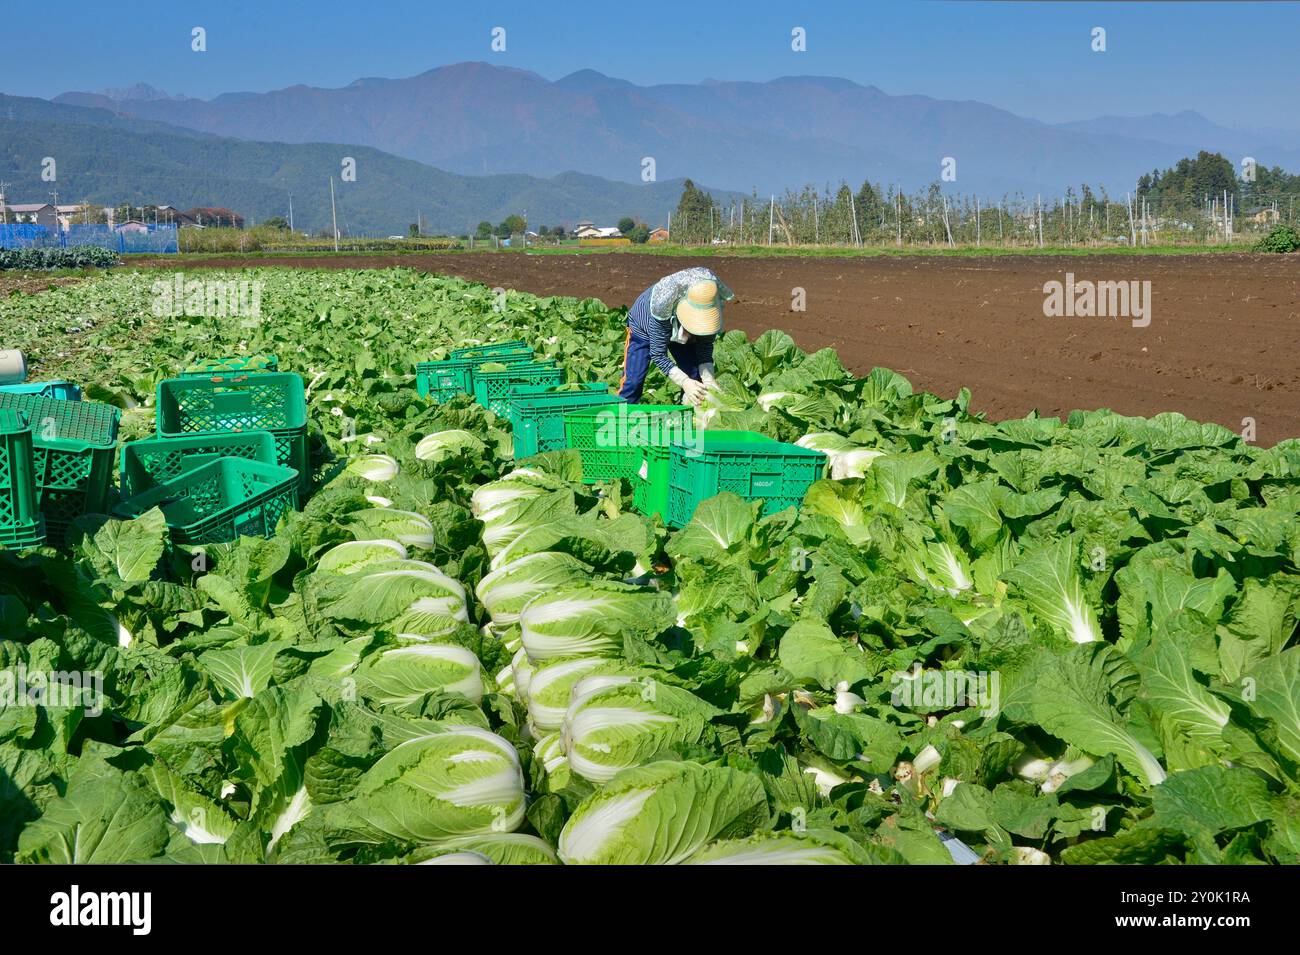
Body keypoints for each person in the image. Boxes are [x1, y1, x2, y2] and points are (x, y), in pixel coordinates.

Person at [618, 267, 735, 405]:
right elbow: (658, 354)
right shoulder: (661, 306)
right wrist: (684, 382)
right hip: (643, 324)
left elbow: (705, 347)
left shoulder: (709, 299)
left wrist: (709, 379)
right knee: (633, 381)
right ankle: (620, 417)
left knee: (695, 375)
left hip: (680, 330)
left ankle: (687, 414)